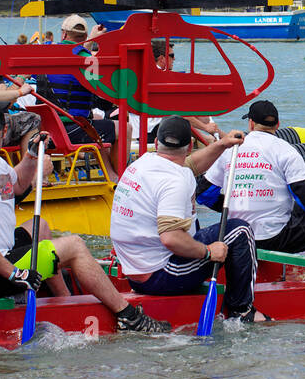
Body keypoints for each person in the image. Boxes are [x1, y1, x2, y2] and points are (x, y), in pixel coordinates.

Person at [0, 95, 170, 331]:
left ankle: (65, 302)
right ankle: (128, 316)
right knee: (75, 246)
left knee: (41, 227)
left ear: (4, 130)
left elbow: (15, 187)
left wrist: (31, 156)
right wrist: (16, 274)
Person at [109, 116, 267, 323]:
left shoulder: (143, 163)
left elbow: (190, 164)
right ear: (190, 145)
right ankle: (243, 311)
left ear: (157, 143)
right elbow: (171, 239)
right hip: (160, 275)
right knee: (240, 230)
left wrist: (222, 144)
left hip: (135, 270)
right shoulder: (175, 181)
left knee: (196, 224)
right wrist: (209, 252)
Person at [190, 100, 305, 257]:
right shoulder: (286, 150)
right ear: (277, 125)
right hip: (273, 239)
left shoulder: (231, 150)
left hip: (236, 235)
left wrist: (234, 203)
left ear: (251, 124)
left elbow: (203, 194)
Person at [36, 14, 117, 143]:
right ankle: (118, 164)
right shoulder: (89, 59)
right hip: (72, 129)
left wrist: (89, 42)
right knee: (124, 128)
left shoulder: (46, 53)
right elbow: (104, 101)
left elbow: (70, 60)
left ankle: (104, 164)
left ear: (63, 35)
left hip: (45, 129)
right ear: (85, 36)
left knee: (96, 122)